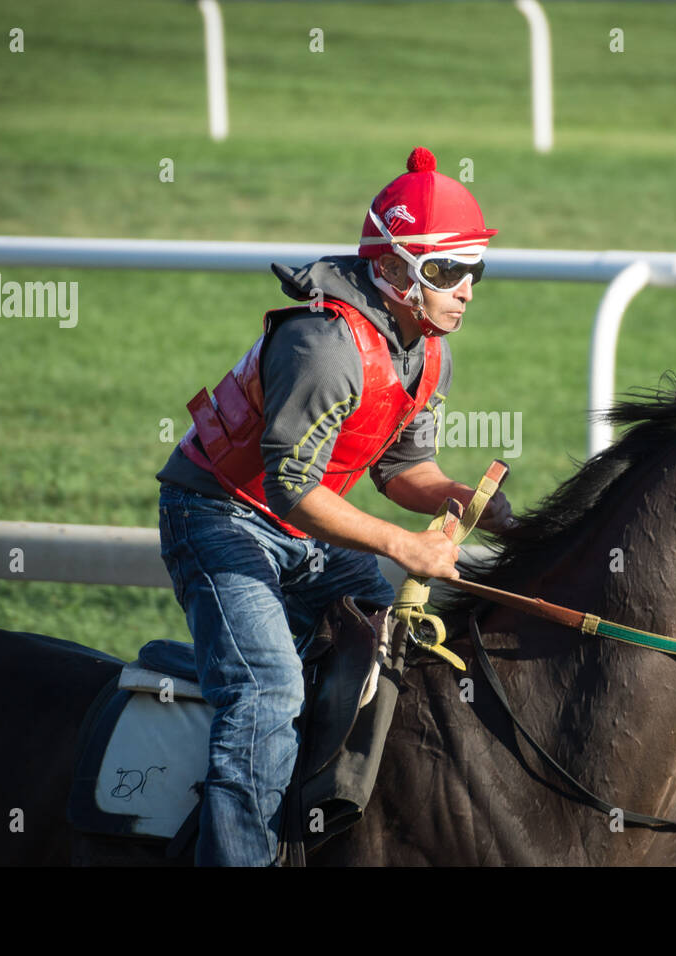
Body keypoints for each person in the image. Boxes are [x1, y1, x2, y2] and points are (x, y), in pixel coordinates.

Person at [155, 146, 514, 866]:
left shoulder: (429, 349)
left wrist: (452, 494)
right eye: (446, 271)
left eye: (475, 267)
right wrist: (403, 546)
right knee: (266, 694)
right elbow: (292, 486)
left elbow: (402, 467)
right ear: (389, 271)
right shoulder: (323, 348)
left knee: (396, 656)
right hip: (219, 518)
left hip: (301, 525)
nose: (466, 288)